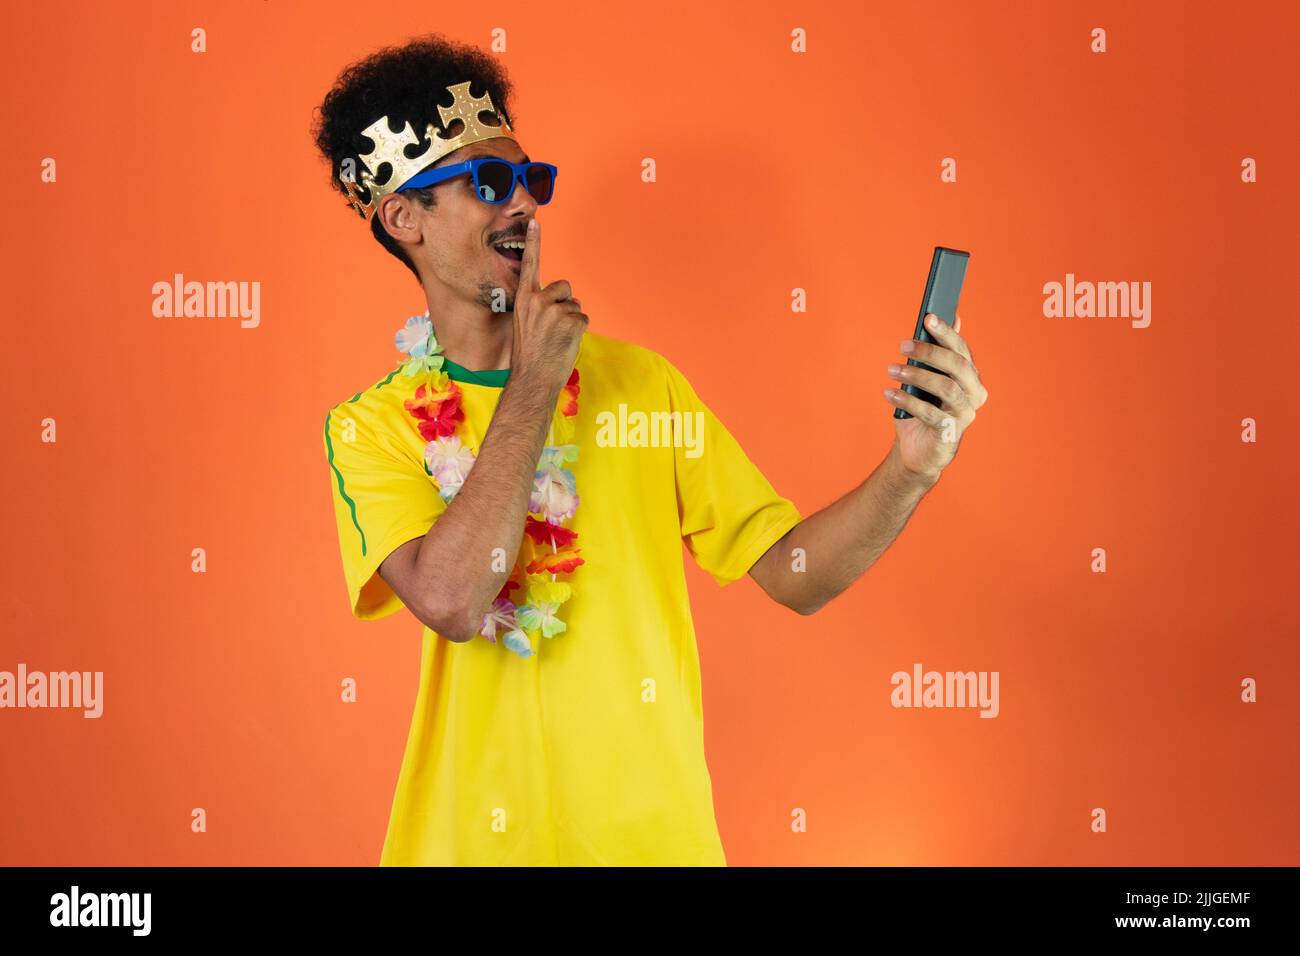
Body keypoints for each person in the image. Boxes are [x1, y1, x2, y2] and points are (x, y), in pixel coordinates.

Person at [313, 35, 988, 866]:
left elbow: (794, 575)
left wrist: (911, 470)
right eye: (489, 183)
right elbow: (453, 598)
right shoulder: (371, 428)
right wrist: (534, 382)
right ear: (403, 216)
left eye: (532, 180)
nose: (522, 204)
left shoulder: (641, 386)